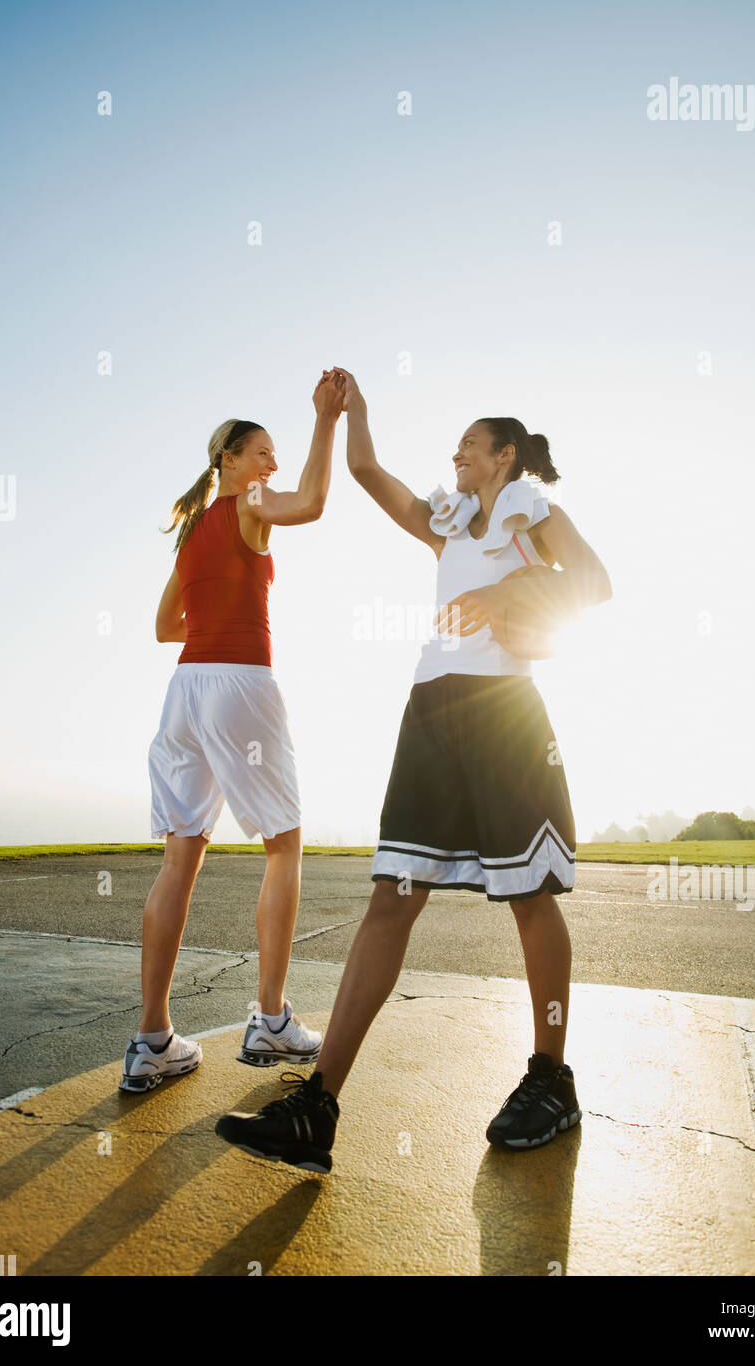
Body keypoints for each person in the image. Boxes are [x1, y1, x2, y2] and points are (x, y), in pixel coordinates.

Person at [216, 368, 612, 1172]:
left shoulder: (534, 515)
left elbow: (595, 585)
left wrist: (507, 591)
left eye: (469, 445)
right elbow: (368, 476)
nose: (456, 455)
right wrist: (351, 412)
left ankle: (551, 1078)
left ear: (504, 454)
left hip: (505, 715)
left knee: (530, 898)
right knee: (392, 897)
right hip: (431, 710)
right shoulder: (453, 525)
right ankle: (317, 1107)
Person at [119, 368, 346, 1093]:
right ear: (230, 462)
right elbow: (311, 502)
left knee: (178, 860)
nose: (271, 466)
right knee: (285, 847)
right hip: (239, 682)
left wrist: (212, 615)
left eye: (276, 454)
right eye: (262, 453)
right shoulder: (250, 504)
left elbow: (163, 627)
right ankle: (272, 1021)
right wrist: (326, 420)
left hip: (184, 691)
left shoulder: (191, 532)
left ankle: (153, 1039)